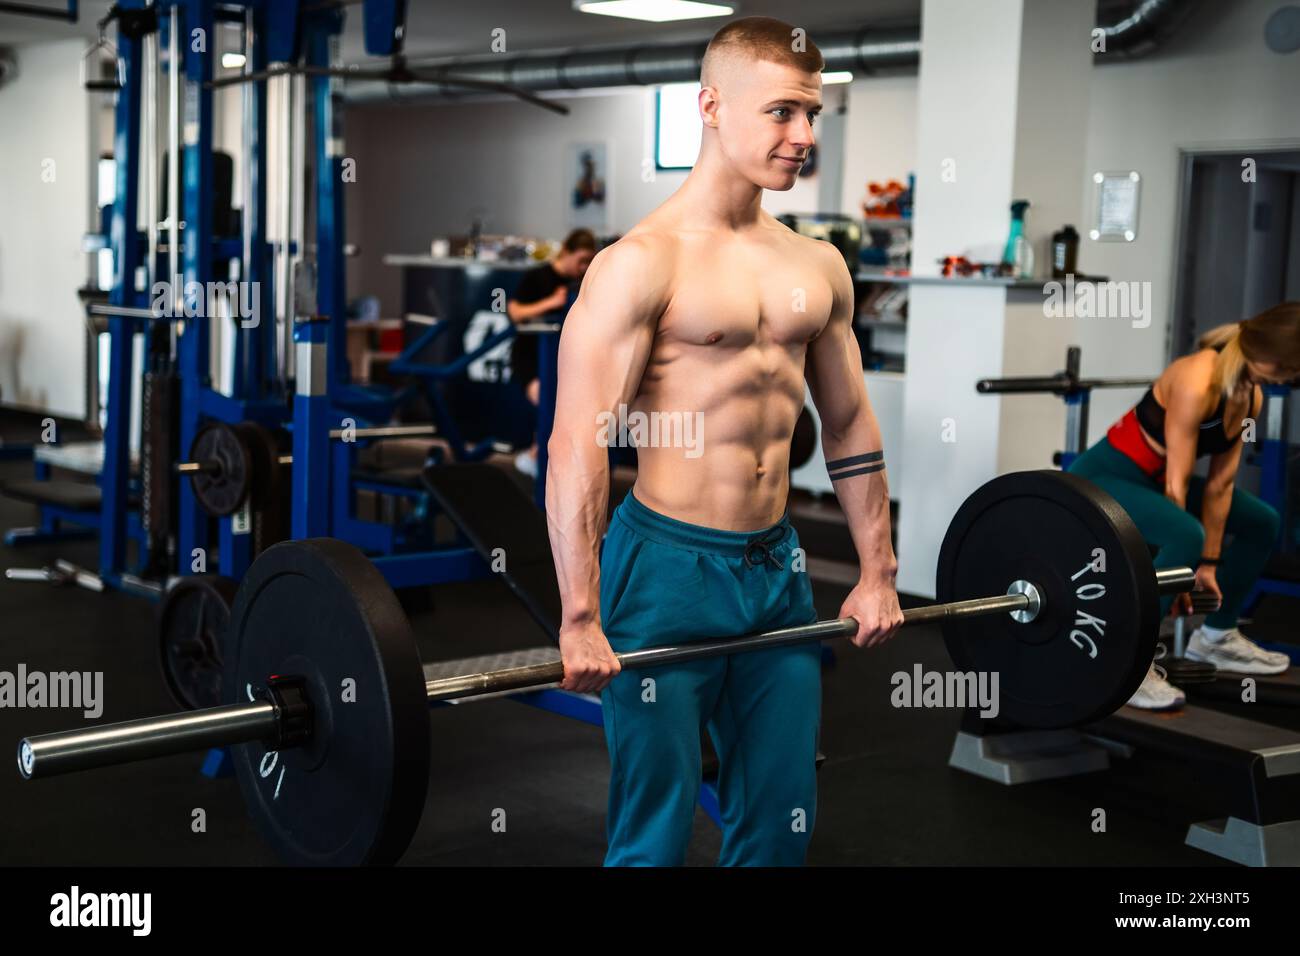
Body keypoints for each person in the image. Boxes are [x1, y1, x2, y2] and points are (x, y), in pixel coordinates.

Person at [545, 16, 903, 867]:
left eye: (813, 114)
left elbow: (848, 421)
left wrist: (878, 570)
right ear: (710, 106)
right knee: (656, 825)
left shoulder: (816, 264)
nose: (805, 137)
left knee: (782, 814)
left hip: (775, 568)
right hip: (664, 565)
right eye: (782, 113)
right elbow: (578, 445)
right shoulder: (641, 262)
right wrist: (580, 614)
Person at [1069, 302, 1300, 709]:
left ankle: (1216, 636)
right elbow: (1176, 486)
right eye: (1288, 367)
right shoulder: (1198, 379)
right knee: (1182, 532)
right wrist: (1179, 572)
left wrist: (1208, 564)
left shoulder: (1251, 397)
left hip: (1152, 483)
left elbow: (1220, 485)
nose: (1293, 376)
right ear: (1263, 353)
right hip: (1106, 478)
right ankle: (1127, 662)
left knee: (1262, 521)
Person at [507, 229, 597, 476]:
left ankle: (542, 458)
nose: (584, 266)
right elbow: (515, 313)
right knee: (551, 405)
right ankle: (537, 457)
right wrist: (551, 303)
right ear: (566, 252)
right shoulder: (537, 277)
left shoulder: (582, 283)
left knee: (569, 410)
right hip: (531, 358)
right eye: (581, 260)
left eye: (589, 261)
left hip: (564, 360)